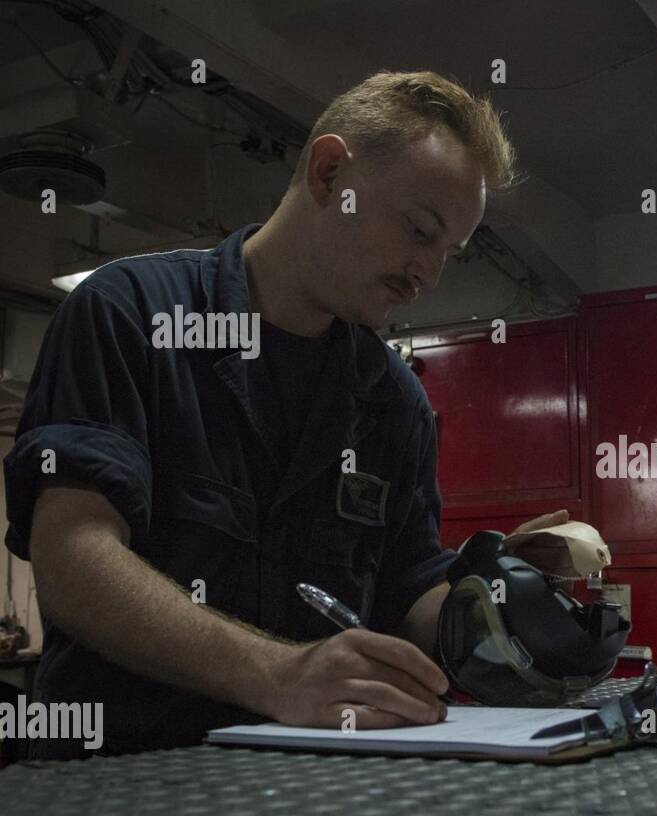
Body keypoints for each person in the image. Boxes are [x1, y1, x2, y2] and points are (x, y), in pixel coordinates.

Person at [4, 70, 565, 758]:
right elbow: (72, 562)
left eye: (448, 250)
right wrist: (277, 675)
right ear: (329, 173)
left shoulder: (395, 403)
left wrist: (493, 598)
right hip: (113, 778)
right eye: (419, 230)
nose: (430, 273)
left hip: (306, 786)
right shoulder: (130, 315)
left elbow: (408, 591)